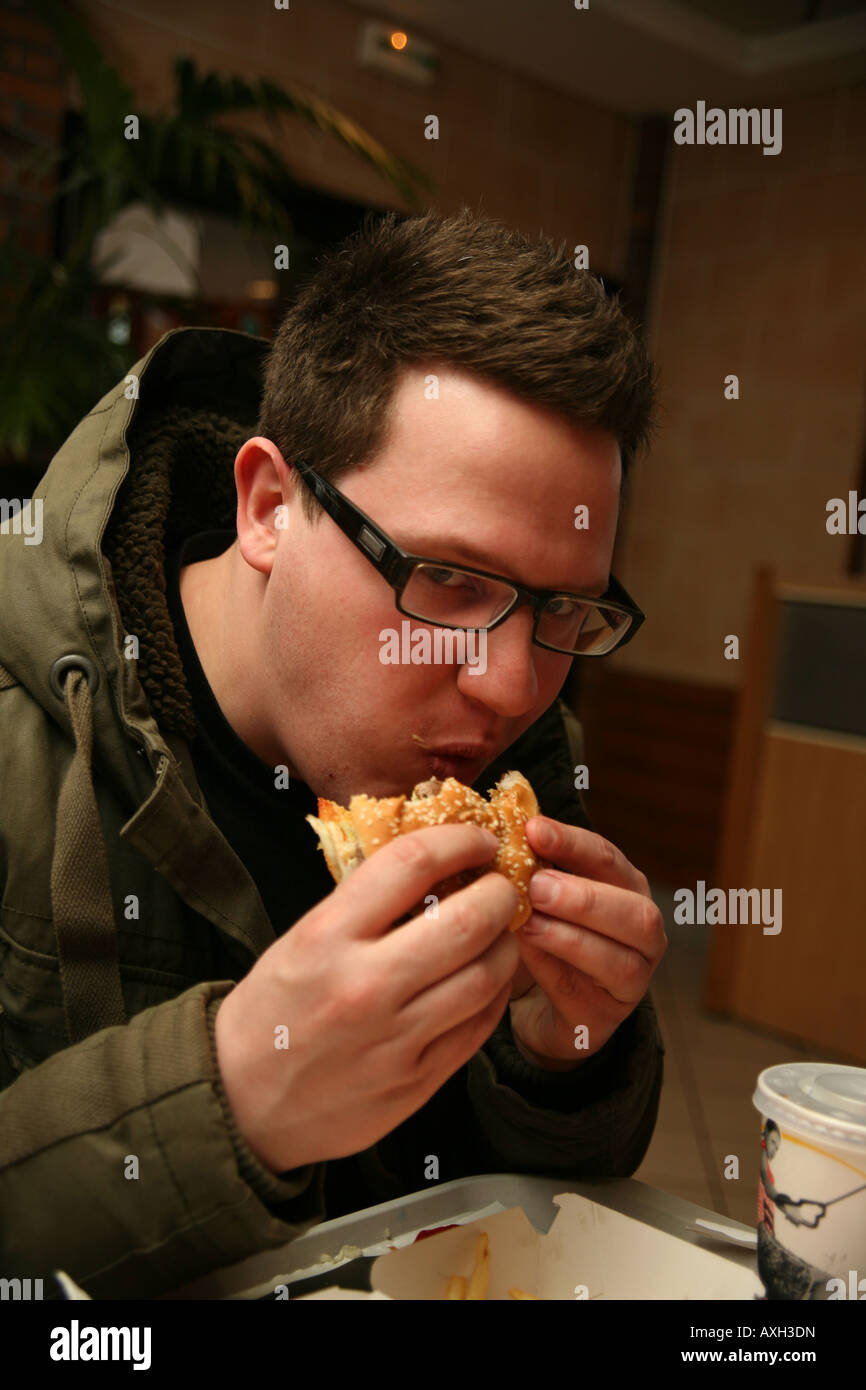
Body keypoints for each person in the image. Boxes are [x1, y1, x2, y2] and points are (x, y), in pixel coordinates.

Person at [0, 207, 666, 1298]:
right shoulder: (20, 737)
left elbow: (515, 1235)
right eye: (449, 578)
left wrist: (563, 1063)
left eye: (564, 610)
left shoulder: (527, 758)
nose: (507, 686)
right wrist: (226, 1096)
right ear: (267, 506)